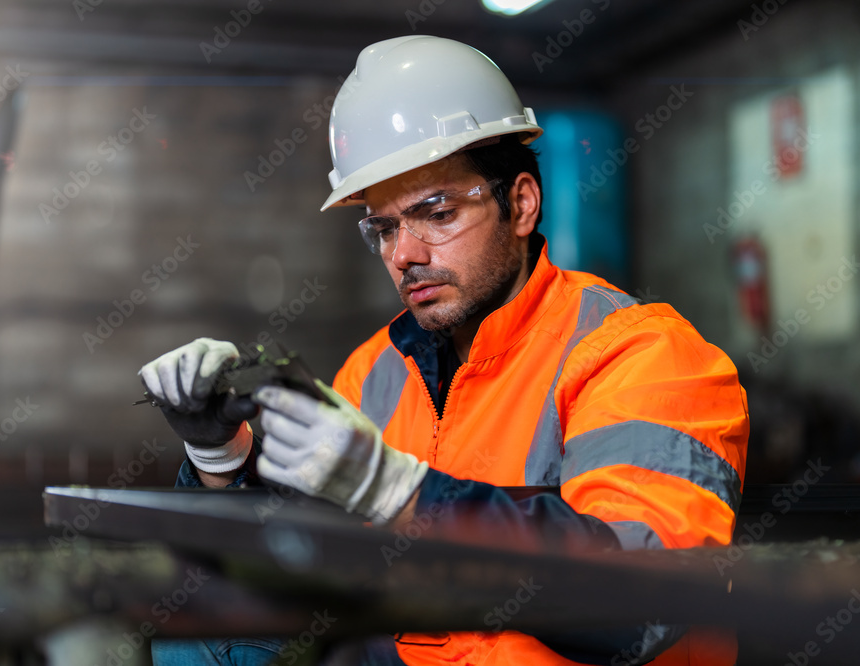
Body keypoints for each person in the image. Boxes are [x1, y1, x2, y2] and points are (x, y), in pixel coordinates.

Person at [139, 35, 749, 666]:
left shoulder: (642, 354)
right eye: (384, 227)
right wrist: (222, 457)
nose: (405, 254)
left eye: (436, 212)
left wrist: (399, 494)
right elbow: (294, 564)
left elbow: (647, 602)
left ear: (520, 203)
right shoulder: (374, 370)